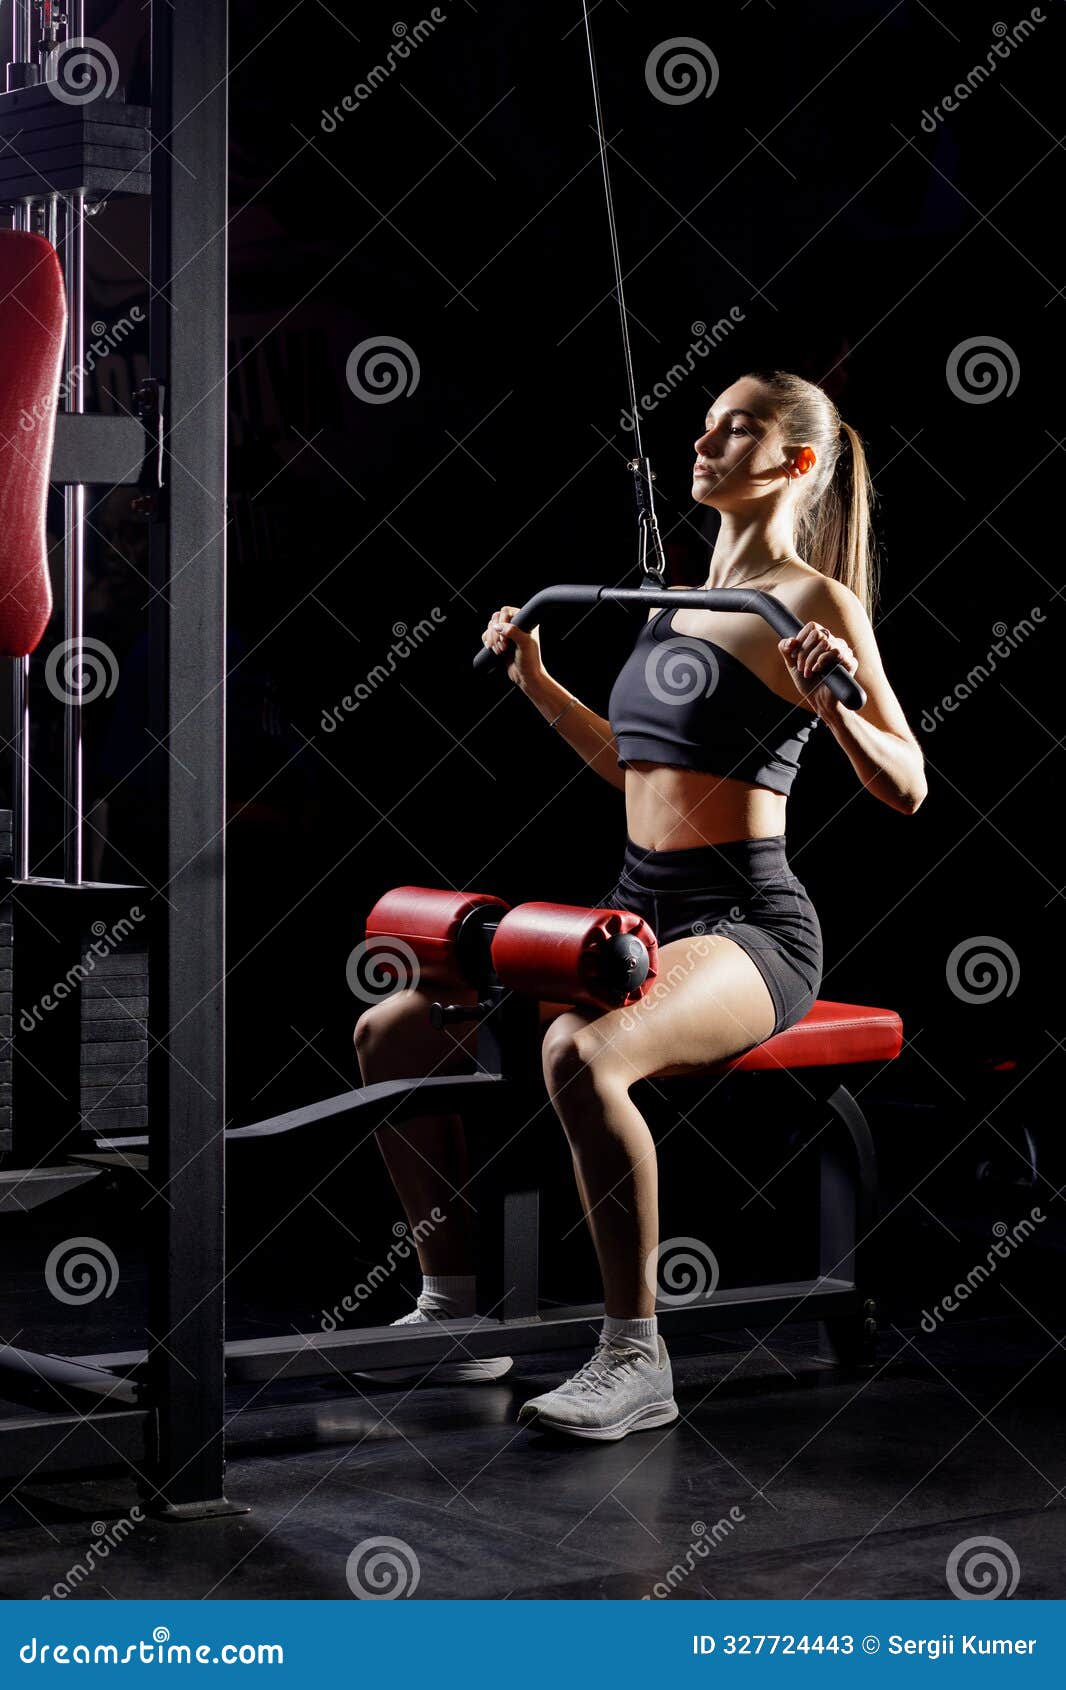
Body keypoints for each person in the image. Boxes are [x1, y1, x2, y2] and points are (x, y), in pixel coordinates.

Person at [354, 369, 927, 1438]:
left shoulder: (810, 602)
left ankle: (634, 1354)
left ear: (795, 462)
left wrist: (836, 702)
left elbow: (907, 787)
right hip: (638, 904)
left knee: (582, 1050)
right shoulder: (674, 599)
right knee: (394, 1030)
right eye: (704, 425)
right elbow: (632, 763)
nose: (703, 443)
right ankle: (455, 1310)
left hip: (749, 923)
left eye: (736, 430)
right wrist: (536, 682)